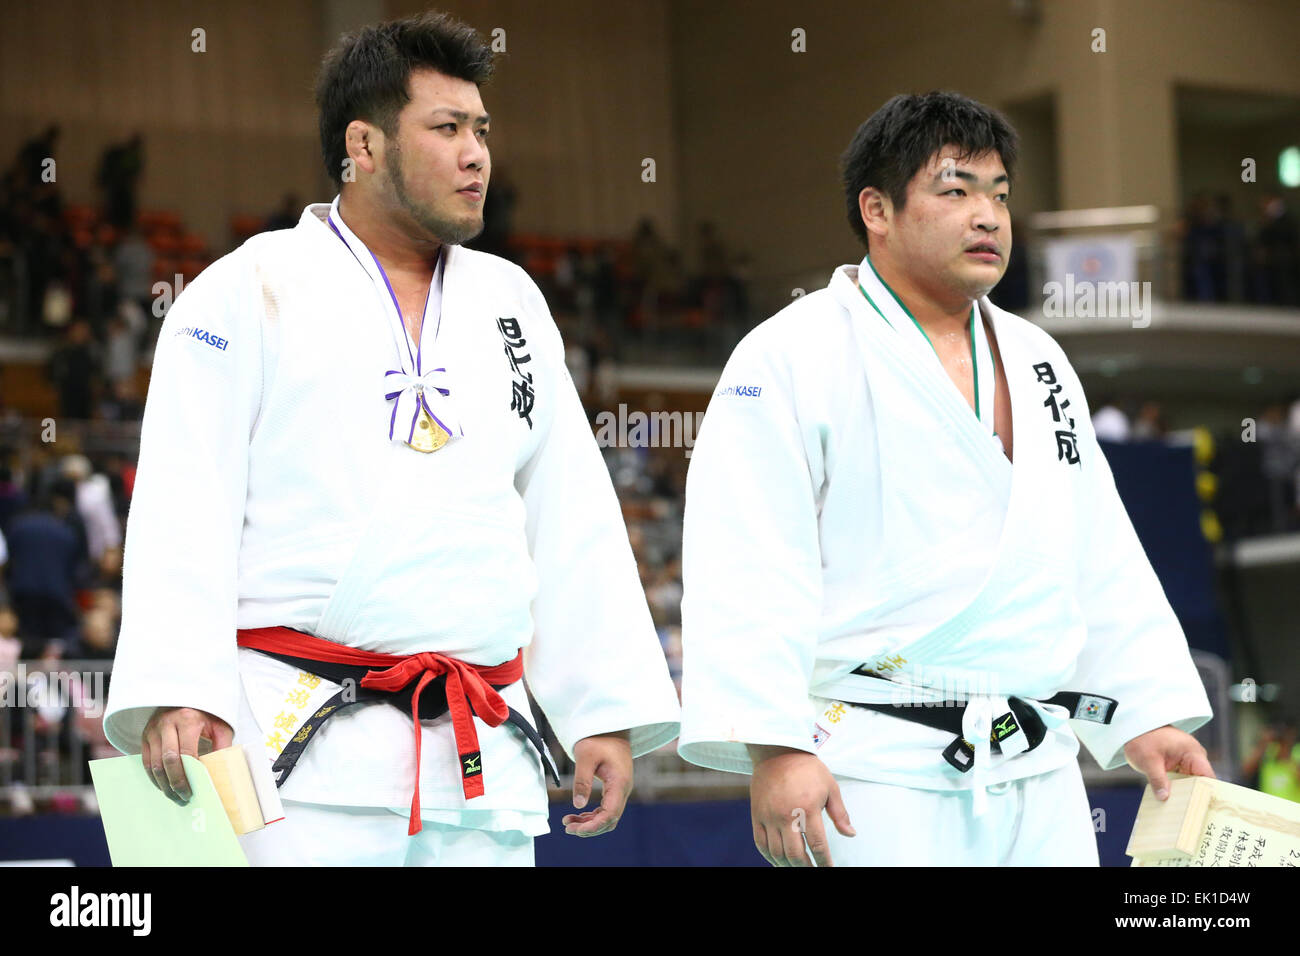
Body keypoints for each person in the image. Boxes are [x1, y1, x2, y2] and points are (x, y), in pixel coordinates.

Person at [102, 11, 680, 867]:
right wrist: (177, 687)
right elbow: (186, 498)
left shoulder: (511, 302)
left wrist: (599, 707)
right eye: (446, 129)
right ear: (363, 146)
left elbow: (569, 512)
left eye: (480, 129)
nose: (476, 153)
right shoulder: (245, 291)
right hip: (291, 742)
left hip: (480, 746)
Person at [678, 92, 1214, 867]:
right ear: (877, 209)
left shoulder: (1037, 359)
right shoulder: (789, 354)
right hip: (874, 764)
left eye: (999, 194)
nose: (989, 216)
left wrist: (1143, 711)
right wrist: (774, 746)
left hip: (1039, 758)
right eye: (956, 191)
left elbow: (1094, 547)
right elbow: (748, 555)